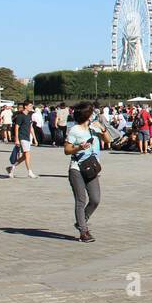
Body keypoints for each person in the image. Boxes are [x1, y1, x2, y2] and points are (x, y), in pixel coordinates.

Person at [64, 101, 108, 243]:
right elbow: (67, 150)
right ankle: (84, 231)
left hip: (92, 168)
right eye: (92, 112)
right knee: (81, 200)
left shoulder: (94, 127)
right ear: (87, 115)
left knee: (95, 199)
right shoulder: (74, 130)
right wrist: (79, 148)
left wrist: (102, 129)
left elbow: (108, 141)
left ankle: (82, 220)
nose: (94, 114)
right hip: (77, 168)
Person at [7, 100, 38, 179]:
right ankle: (29, 172)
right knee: (27, 154)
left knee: (24, 156)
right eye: (30, 106)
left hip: (27, 137)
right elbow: (16, 127)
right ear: (26, 106)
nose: (31, 107)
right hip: (22, 137)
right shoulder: (20, 116)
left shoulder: (29, 115)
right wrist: (17, 139)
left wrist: (35, 139)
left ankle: (12, 168)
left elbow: (31, 127)